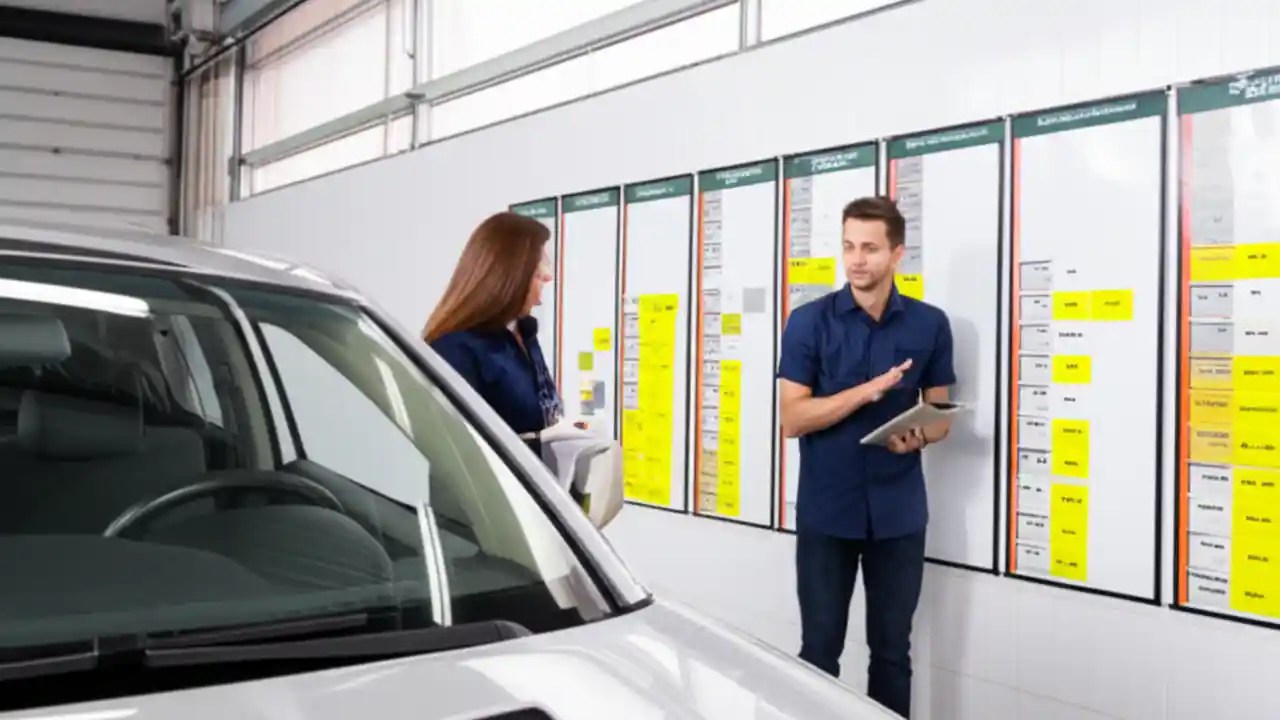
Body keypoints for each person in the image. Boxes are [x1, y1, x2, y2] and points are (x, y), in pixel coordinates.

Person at [776, 196, 955, 719]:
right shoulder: (808, 322)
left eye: (870, 248)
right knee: (818, 655)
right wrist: (866, 392)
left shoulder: (929, 324)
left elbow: (940, 414)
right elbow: (792, 419)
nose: (857, 259)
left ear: (897, 254)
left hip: (899, 515)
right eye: (850, 246)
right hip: (827, 513)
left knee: (893, 656)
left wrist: (921, 437)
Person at [424, 211, 564, 456]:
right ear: (510, 274)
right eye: (539, 265)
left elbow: (539, 419)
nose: (548, 275)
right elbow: (457, 454)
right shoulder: (455, 350)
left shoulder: (523, 334)